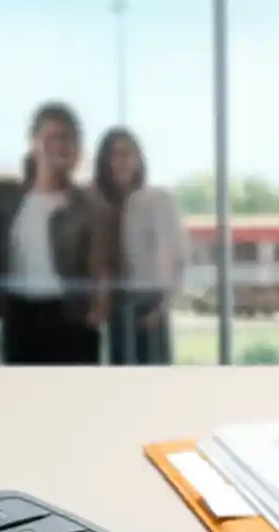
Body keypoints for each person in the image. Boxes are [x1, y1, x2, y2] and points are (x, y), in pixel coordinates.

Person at [0, 102, 111, 364]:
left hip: (69, 318)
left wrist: (98, 311)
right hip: (19, 317)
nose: (59, 146)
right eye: (51, 138)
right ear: (33, 143)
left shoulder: (90, 205)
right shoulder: (10, 201)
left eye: (67, 138)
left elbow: (101, 266)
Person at [92, 128, 188, 365]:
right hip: (116, 306)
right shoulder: (99, 206)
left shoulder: (157, 199)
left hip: (149, 303)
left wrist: (161, 304)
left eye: (127, 154)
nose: (121, 162)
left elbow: (173, 254)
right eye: (114, 155)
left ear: (138, 159)